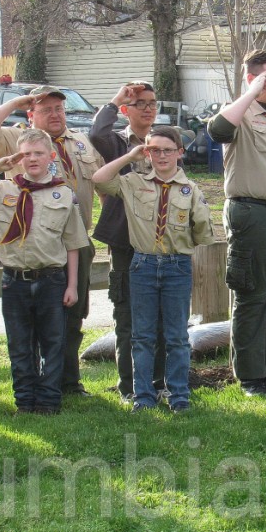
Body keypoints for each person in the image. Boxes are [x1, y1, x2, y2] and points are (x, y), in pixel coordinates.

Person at [0, 86, 100, 396]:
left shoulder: (80, 142)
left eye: (59, 108)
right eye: (46, 109)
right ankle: (32, 386)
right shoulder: (16, 141)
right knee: (30, 322)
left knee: (71, 316)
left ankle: (66, 382)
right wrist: (15, 102)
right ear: (31, 115)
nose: (55, 114)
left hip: (74, 242)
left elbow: (99, 182)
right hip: (33, 245)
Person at [0, 129, 89, 415]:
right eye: (26, 154)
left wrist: (72, 285)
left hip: (52, 279)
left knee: (53, 343)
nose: (32, 159)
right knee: (19, 345)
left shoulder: (63, 193)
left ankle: (48, 401)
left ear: (50, 157)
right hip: (14, 280)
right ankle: (25, 401)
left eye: (38, 153)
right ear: (17, 158)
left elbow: (73, 243)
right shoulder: (1, 190)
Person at [93, 126, 215, 413]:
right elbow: (99, 179)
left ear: (179, 153)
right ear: (147, 153)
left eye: (167, 150)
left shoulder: (191, 190)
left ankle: (178, 395)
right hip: (143, 265)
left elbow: (201, 232)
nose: (161, 155)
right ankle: (143, 397)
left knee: (176, 336)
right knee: (142, 336)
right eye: (154, 150)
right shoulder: (133, 182)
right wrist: (130, 156)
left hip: (176, 266)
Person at [207, 49, 266, 397]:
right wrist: (249, 92)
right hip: (253, 214)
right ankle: (250, 377)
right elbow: (217, 131)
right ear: (253, 79)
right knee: (252, 296)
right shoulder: (241, 113)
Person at [90, 82, 168, 403]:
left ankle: (159, 383)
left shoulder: (165, 141)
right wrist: (117, 98)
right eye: (140, 104)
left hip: (162, 242)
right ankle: (130, 387)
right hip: (126, 242)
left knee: (161, 318)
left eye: (152, 103)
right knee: (128, 317)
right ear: (126, 110)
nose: (148, 109)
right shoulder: (118, 143)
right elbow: (96, 133)